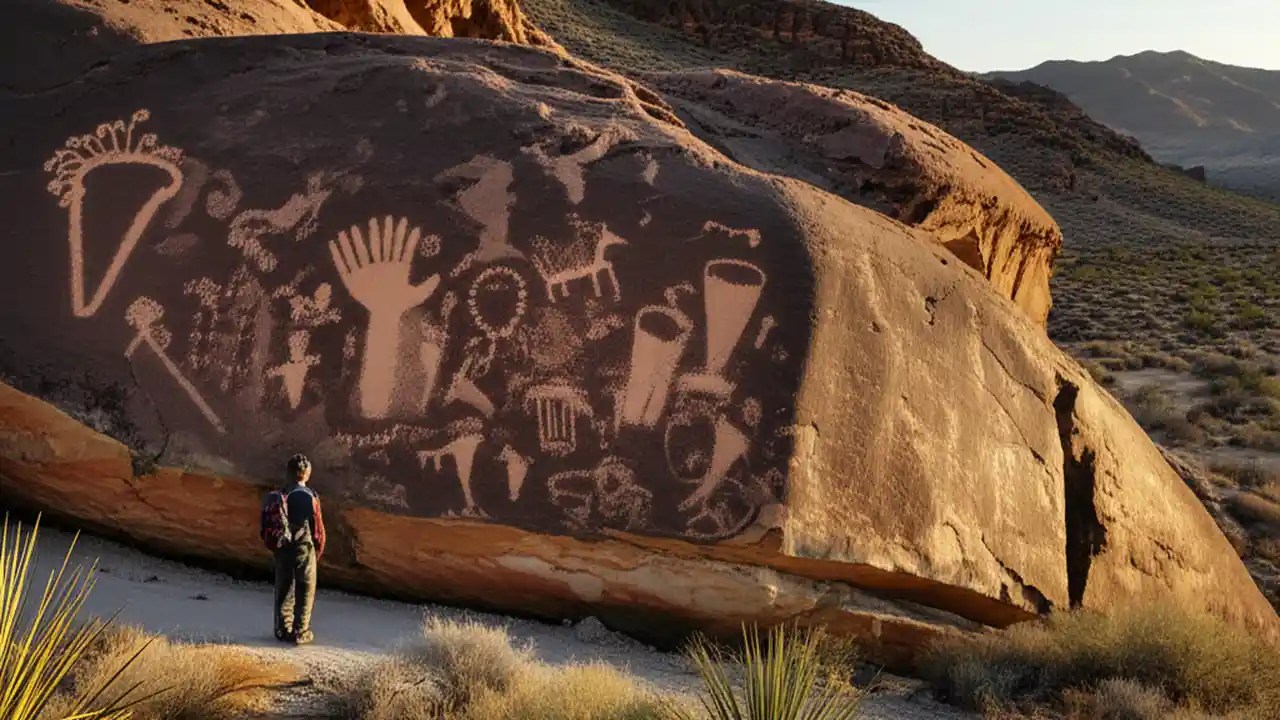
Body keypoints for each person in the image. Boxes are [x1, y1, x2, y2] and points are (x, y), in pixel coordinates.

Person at [271, 453, 326, 645]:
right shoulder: (311, 496)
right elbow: (318, 529)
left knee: (285, 587)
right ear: (307, 474)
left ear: (288, 473)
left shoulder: (281, 495)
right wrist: (317, 551)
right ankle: (301, 630)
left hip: (284, 546)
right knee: (305, 587)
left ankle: (282, 629)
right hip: (305, 545)